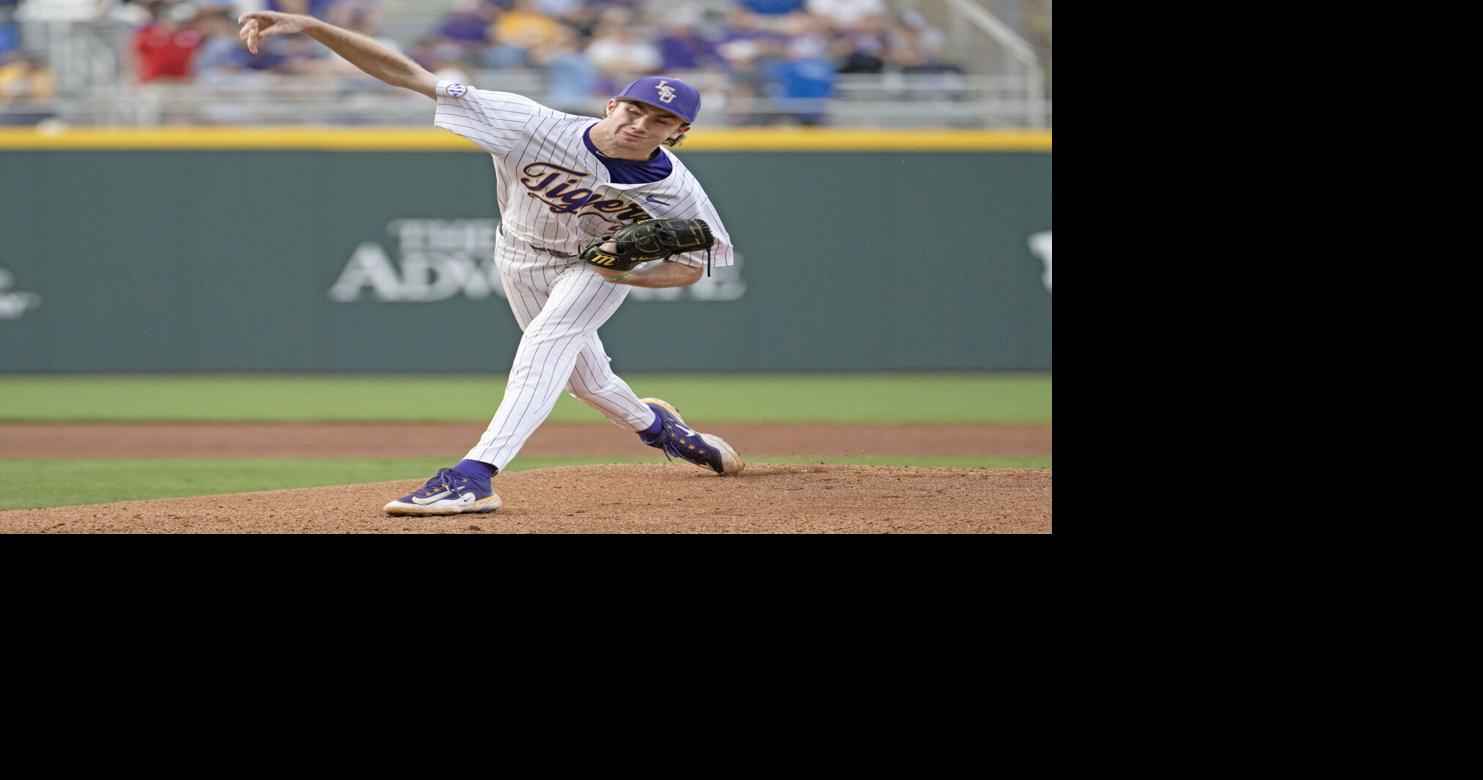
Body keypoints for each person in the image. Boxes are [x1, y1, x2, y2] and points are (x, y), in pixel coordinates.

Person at [237, 10, 744, 517]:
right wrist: (312, 26)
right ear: (611, 104)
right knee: (585, 382)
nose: (639, 124)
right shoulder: (530, 124)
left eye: (659, 120)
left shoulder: (678, 193)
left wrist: (624, 272)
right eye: (633, 109)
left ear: (680, 131)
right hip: (520, 253)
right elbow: (410, 76)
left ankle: (473, 476)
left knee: (545, 344)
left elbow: (690, 269)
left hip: (593, 268)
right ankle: (663, 429)